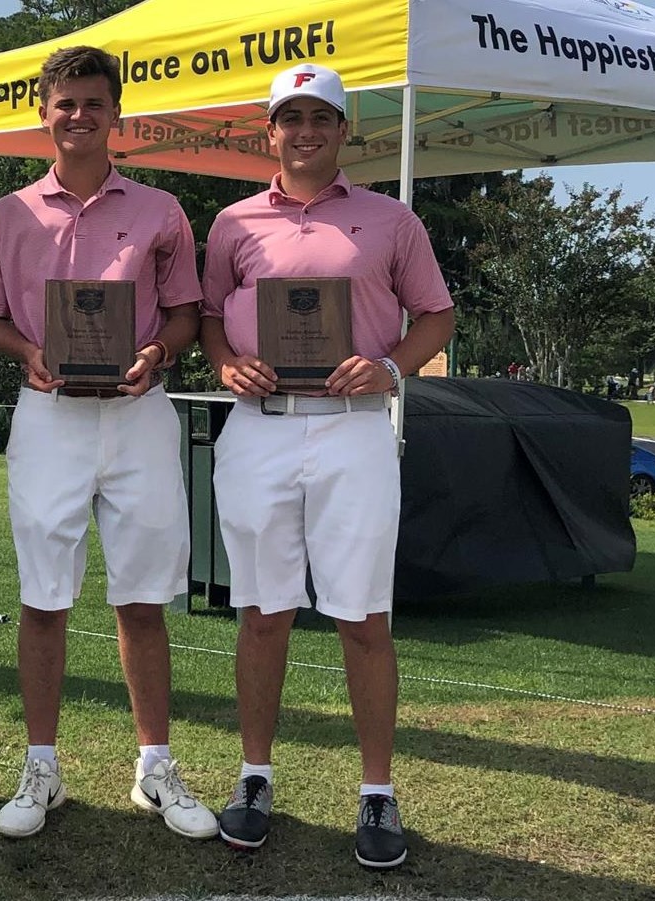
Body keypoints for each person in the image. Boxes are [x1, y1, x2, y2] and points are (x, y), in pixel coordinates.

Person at [199, 63, 455, 869]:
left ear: (346, 130)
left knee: (364, 618)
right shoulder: (232, 222)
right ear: (270, 130)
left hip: (354, 430)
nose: (305, 131)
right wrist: (225, 362)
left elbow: (437, 314)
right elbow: (208, 317)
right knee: (262, 613)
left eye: (321, 118)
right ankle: (254, 777)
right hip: (260, 427)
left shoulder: (391, 220)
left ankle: (377, 790)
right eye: (291, 117)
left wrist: (390, 368)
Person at [0, 46, 216, 841]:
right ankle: (42, 766)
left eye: (93, 103)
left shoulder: (160, 209)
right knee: (44, 596)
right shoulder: (9, 213)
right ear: (43, 111)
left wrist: (159, 352)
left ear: (117, 114)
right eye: (65, 102)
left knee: (142, 599)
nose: (78, 115)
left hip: (139, 412)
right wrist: (27, 351)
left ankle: (155, 766)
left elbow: (184, 312)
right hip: (49, 413)